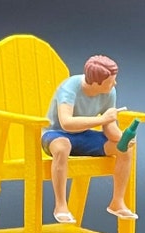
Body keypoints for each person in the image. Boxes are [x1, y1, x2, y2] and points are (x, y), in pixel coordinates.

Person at [41, 54, 136, 224]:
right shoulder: (70, 88)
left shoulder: (109, 92)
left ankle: (117, 202)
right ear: (96, 82)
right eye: (111, 81)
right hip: (56, 134)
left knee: (124, 148)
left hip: (84, 136)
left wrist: (122, 138)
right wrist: (102, 119)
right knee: (63, 146)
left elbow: (109, 127)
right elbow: (66, 123)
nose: (115, 84)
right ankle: (61, 205)